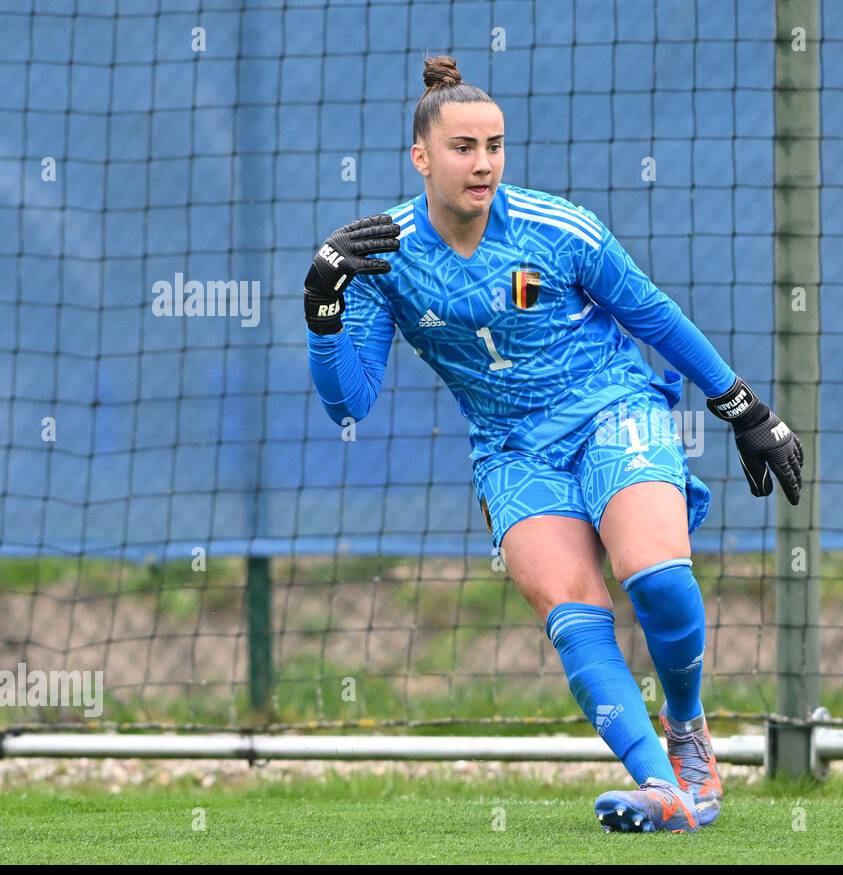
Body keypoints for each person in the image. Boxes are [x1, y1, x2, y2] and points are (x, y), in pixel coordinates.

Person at [303, 56, 803, 833]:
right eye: (464, 147)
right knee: (575, 609)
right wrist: (322, 309)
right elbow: (350, 399)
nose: (483, 163)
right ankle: (668, 791)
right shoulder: (380, 257)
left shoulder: (558, 229)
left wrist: (742, 406)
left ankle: (686, 725)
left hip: (612, 410)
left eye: (495, 145)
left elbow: (653, 314)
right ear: (421, 156)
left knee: (657, 575)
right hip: (511, 451)